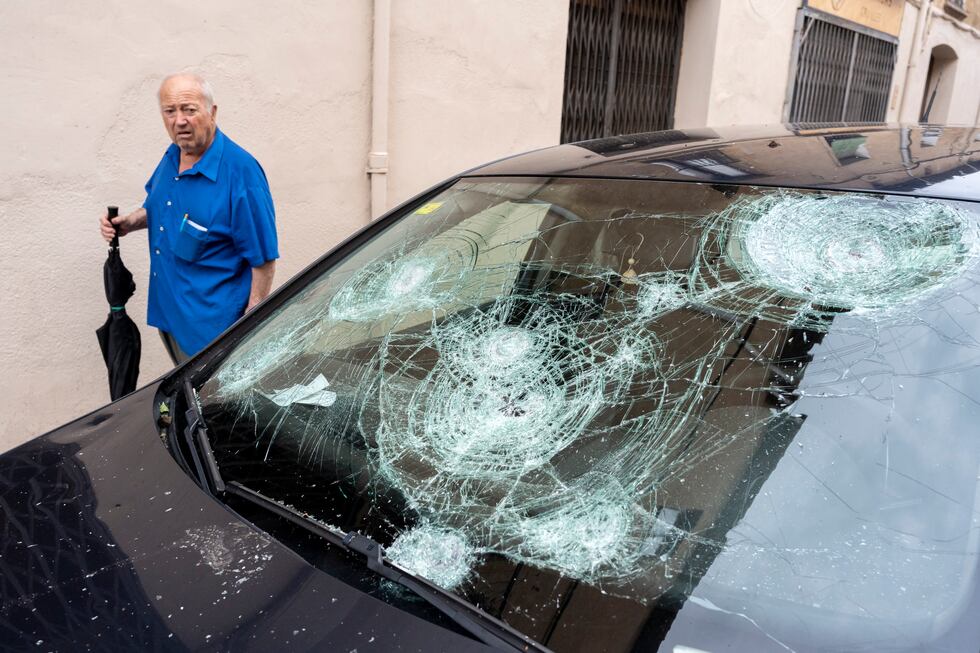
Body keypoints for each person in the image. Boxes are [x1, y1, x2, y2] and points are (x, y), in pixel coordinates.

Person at [99, 73, 278, 365]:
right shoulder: (172, 155)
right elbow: (163, 209)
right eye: (170, 111)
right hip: (169, 317)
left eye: (189, 110)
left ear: (212, 112)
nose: (179, 120)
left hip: (214, 336)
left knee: (211, 409)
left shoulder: (241, 172)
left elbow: (264, 260)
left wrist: (248, 331)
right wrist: (131, 223)